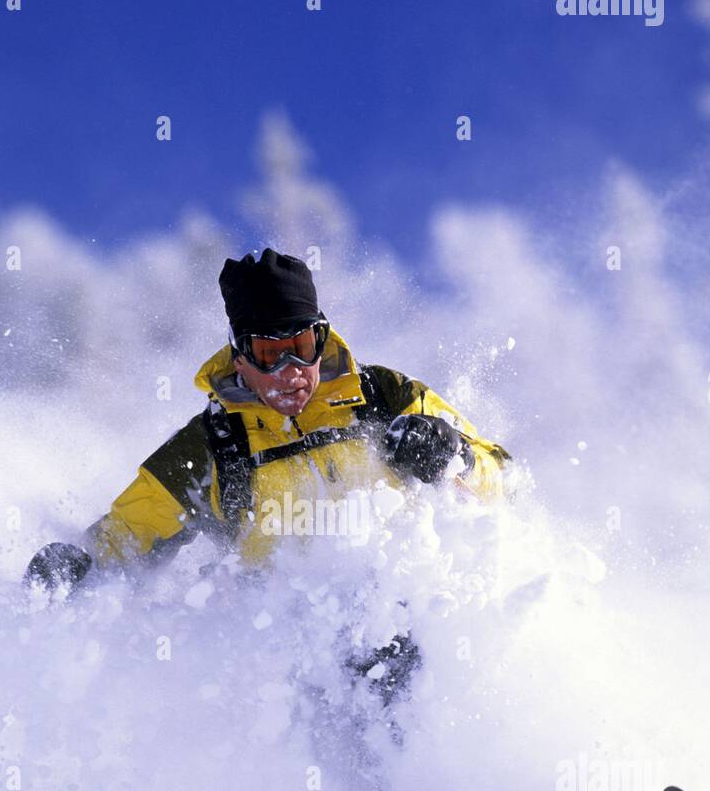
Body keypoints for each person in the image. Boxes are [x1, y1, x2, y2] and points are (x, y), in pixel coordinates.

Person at [25, 248, 510, 597]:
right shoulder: (215, 445)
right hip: (291, 643)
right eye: (269, 353)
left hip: (415, 603)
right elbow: (131, 529)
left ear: (321, 340)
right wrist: (79, 564)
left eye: (300, 348)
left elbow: (504, 473)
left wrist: (458, 457)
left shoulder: (383, 397)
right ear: (240, 358)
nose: (291, 372)